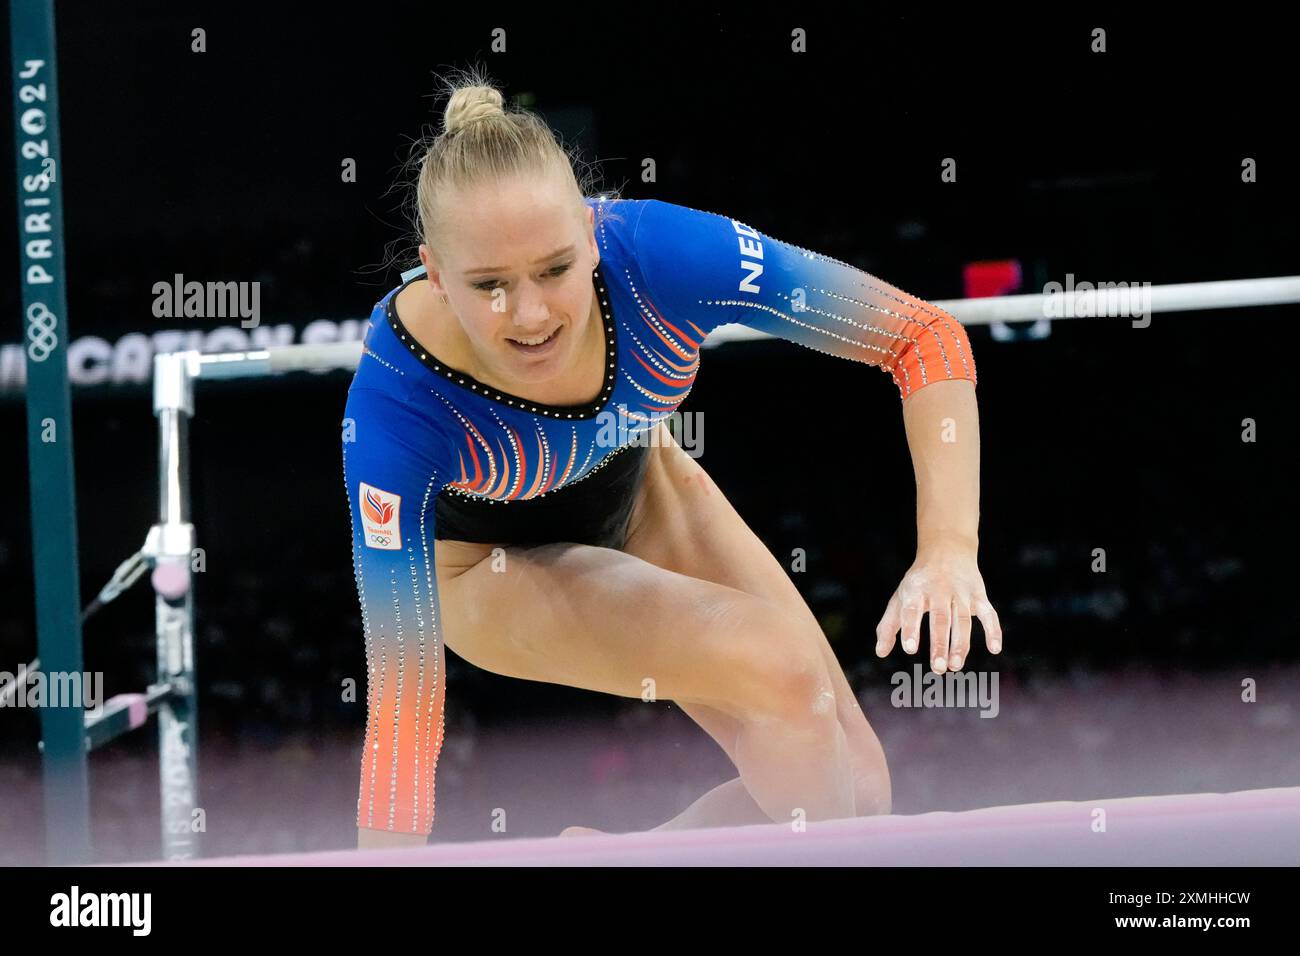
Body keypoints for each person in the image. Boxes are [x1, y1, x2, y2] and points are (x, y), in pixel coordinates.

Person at [342, 71, 1001, 849]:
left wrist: (951, 549)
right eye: (488, 285)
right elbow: (403, 703)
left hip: (639, 488)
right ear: (435, 270)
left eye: (555, 269)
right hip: (482, 570)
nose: (531, 315)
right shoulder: (394, 405)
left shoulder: (663, 257)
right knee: (782, 672)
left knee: (856, 787)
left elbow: (923, 339)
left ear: (592, 232)